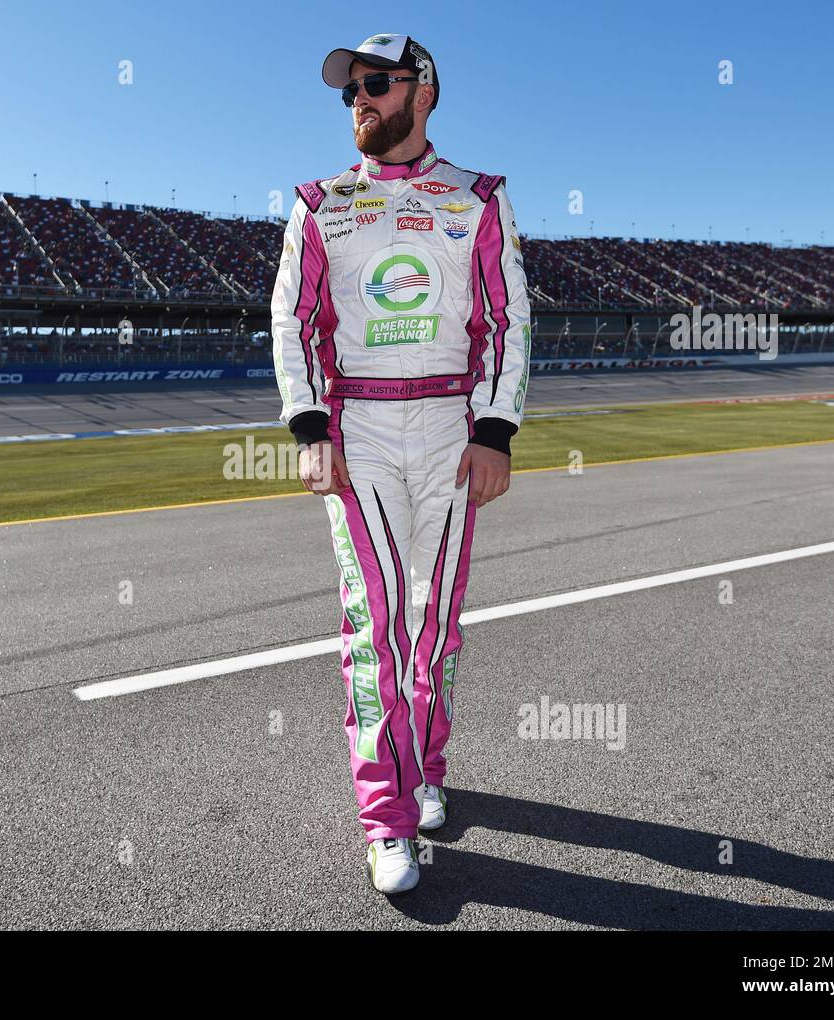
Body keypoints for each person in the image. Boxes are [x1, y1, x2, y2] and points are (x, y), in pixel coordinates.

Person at [271, 33, 531, 895]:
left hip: (455, 431)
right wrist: (312, 426)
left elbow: (506, 320)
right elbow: (294, 321)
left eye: (376, 84)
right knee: (373, 627)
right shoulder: (319, 204)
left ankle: (425, 772)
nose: (359, 100)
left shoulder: (478, 200)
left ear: (424, 92)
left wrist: (495, 431)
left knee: (434, 628)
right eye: (350, 89)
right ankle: (384, 821)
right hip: (362, 434)